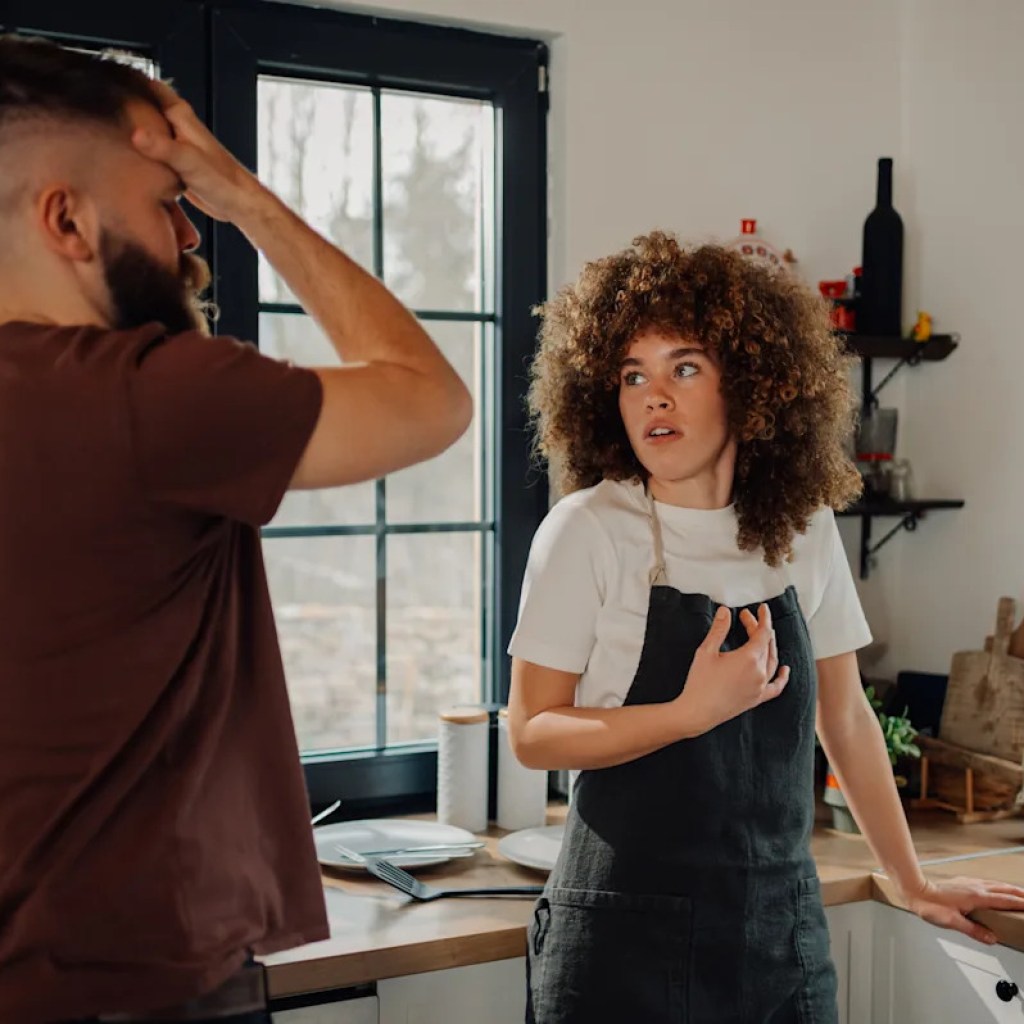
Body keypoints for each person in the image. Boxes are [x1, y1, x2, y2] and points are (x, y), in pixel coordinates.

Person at [0, 36, 471, 1024]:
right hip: (137, 981)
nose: (189, 235)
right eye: (164, 200)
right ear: (68, 219)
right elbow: (430, 399)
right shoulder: (144, 400)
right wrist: (247, 196)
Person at [507, 232, 1024, 1023]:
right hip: (620, 945)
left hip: (776, 941)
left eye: (684, 368)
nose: (654, 397)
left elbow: (845, 717)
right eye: (632, 375)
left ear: (748, 387)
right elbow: (533, 730)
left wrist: (910, 879)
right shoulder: (587, 530)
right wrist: (688, 714)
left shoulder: (800, 527)